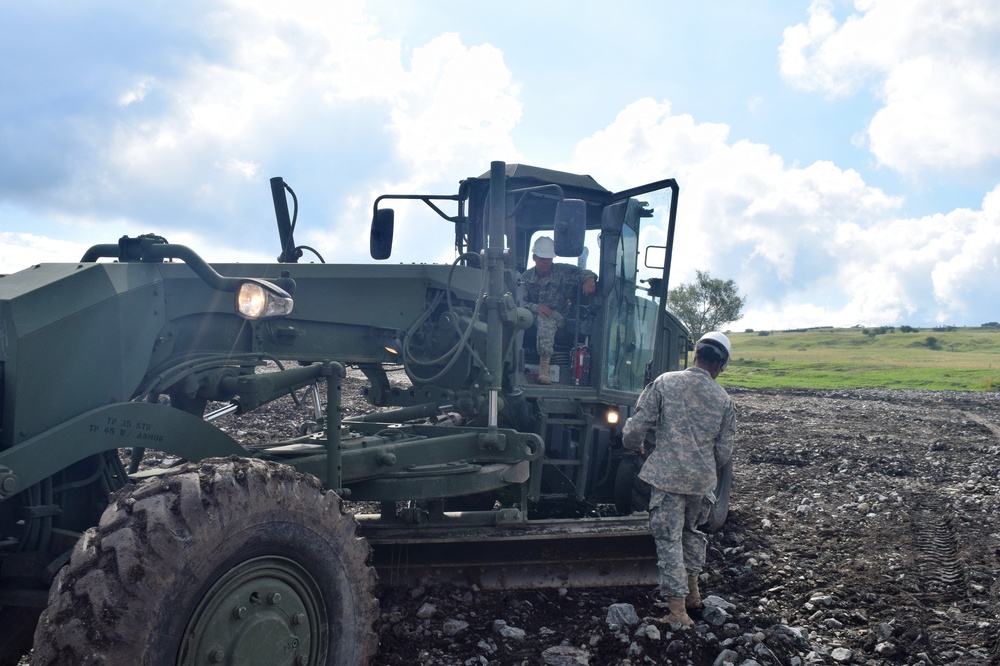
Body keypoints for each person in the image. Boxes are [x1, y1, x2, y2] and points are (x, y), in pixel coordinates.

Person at [622, 331, 736, 627]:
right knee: (692, 533)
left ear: (696, 354)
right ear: (720, 365)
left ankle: (676, 611)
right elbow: (723, 453)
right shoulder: (724, 400)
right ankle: (693, 595)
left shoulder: (665, 382)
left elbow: (637, 428)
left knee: (669, 539)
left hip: (668, 480)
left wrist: (635, 446)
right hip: (701, 483)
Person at [521, 236, 597, 384]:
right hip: (533, 315)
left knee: (546, 319)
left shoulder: (563, 272)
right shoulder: (526, 277)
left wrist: (589, 279)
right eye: (542, 258)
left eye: (549, 259)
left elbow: (583, 273)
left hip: (558, 316)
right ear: (534, 257)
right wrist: (536, 308)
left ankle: (544, 366)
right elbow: (520, 302)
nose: (545, 262)